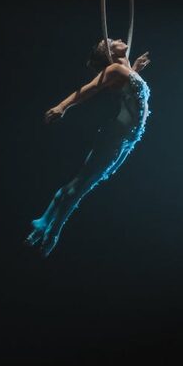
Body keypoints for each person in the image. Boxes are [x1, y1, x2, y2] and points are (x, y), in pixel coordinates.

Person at [24, 38, 151, 257]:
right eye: (112, 40)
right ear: (109, 53)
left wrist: (135, 68)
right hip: (116, 136)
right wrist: (61, 106)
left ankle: (45, 222)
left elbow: (128, 87)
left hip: (127, 139)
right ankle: (51, 229)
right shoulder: (115, 70)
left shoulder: (123, 70)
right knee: (82, 184)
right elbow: (87, 90)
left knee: (86, 182)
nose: (120, 39)